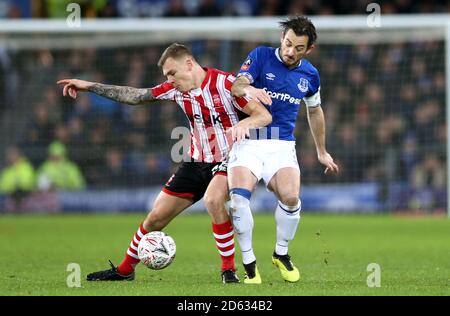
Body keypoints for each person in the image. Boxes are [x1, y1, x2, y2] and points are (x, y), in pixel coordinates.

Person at [57, 43, 272, 283]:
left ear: (189, 64)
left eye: (172, 73)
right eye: (166, 76)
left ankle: (228, 270)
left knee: (213, 200)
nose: (170, 79)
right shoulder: (175, 90)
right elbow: (136, 96)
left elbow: (263, 115)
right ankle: (125, 270)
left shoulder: (226, 84)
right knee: (155, 218)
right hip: (195, 162)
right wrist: (90, 87)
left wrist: (244, 125)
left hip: (231, 160)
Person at [229, 16, 339, 284]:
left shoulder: (310, 75)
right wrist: (251, 90)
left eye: (298, 48)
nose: (290, 51)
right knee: (238, 200)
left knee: (291, 198)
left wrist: (321, 151)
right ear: (282, 38)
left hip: (281, 144)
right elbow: (236, 85)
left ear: (308, 49)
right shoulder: (261, 56)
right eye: (288, 43)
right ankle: (249, 263)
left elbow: (314, 111)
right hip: (249, 141)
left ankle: (281, 253)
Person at [0, 146, 36, 212]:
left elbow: (28, 182)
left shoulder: (26, 167)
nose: (10, 157)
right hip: (8, 195)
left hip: (23, 194)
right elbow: (2, 185)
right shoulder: (7, 170)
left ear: (17, 155)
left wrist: (14, 185)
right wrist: (11, 187)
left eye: (12, 155)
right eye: (9, 155)